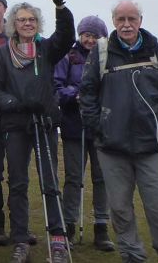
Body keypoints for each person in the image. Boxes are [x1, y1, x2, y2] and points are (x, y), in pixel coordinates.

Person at [80, 0, 158, 263]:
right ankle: (132, 256)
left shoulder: (156, 51)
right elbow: (87, 92)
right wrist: (98, 127)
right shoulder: (101, 52)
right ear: (114, 21)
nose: (126, 24)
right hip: (112, 148)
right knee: (121, 209)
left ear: (140, 20)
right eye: (121, 19)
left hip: (151, 146)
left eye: (132, 19)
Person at [0, 0, 75, 263]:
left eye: (32, 20)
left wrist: (59, 3)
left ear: (37, 24)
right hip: (16, 125)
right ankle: (20, 240)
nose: (27, 24)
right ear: (14, 23)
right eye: (22, 20)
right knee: (19, 183)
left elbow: (67, 36)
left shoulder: (45, 50)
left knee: (50, 182)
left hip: (45, 123)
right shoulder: (2, 55)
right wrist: (16, 103)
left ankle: (58, 240)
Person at [53, 15, 115, 251]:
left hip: (101, 126)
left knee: (102, 177)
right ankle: (68, 224)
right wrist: (74, 94)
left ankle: (101, 226)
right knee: (74, 178)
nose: (89, 39)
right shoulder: (69, 56)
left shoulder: (108, 57)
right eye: (86, 35)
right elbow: (57, 87)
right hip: (73, 125)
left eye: (95, 36)